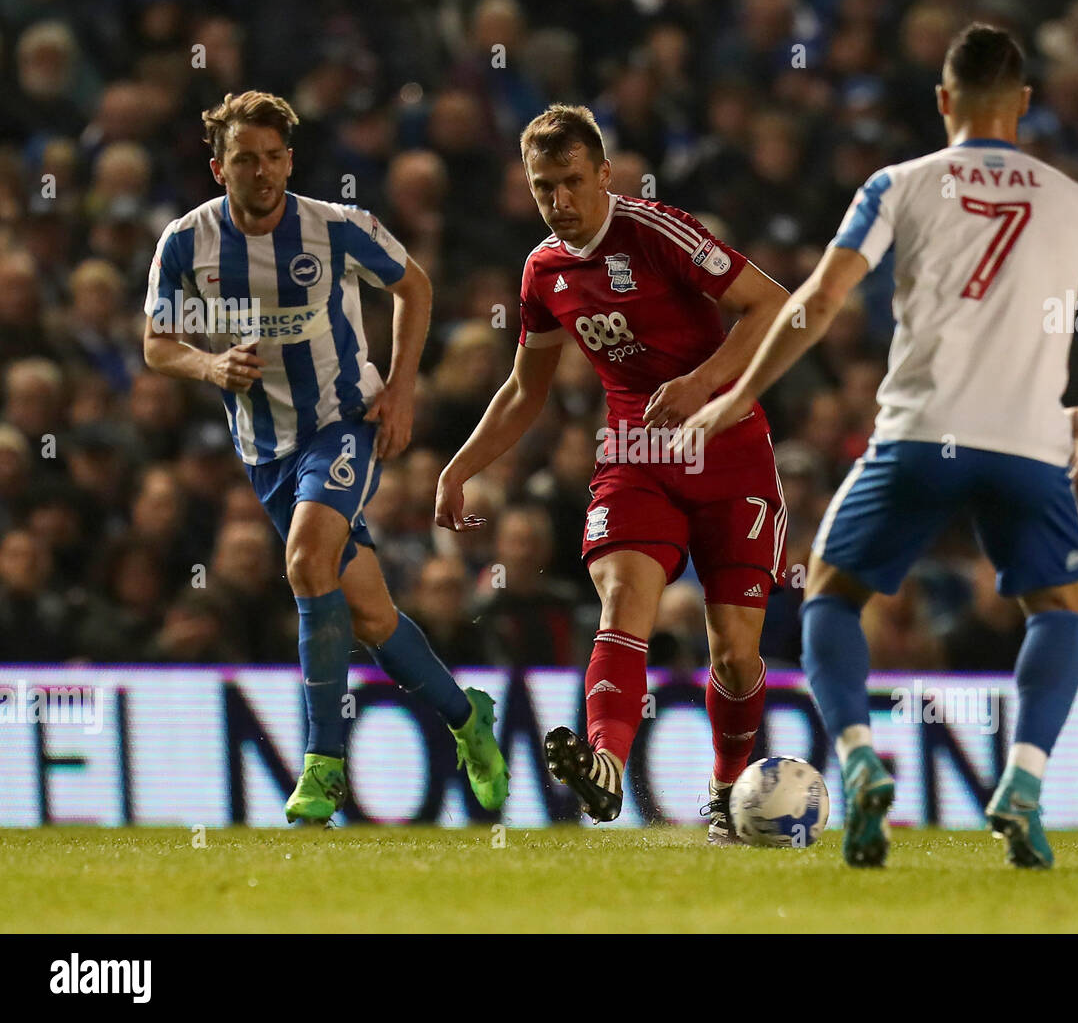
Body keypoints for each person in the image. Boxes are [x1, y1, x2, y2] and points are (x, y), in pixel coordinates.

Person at [679, 24, 1078, 868]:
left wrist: (739, 394)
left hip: (918, 434)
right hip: (1031, 446)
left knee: (829, 597)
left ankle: (859, 761)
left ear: (943, 100)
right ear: (1025, 105)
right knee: (1058, 611)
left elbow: (818, 302)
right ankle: (1026, 781)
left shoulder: (898, 183)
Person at [141, 90, 508, 825]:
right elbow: (158, 345)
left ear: (290, 161)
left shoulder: (333, 229)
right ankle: (468, 717)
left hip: (344, 422)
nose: (262, 171)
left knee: (307, 563)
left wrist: (402, 389)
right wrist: (212, 368)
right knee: (371, 616)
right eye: (245, 159)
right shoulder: (187, 242)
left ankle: (323, 764)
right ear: (220, 168)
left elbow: (415, 285)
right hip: (264, 450)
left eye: (274, 157)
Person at [434, 104, 790, 842]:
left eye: (570, 182)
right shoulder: (543, 270)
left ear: (604, 174)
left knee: (735, 647)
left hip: (727, 448)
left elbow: (771, 306)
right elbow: (524, 390)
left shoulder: (658, 231)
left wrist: (701, 383)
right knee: (625, 595)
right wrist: (460, 467)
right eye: (542, 189)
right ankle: (605, 765)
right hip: (637, 456)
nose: (559, 203)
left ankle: (726, 792)